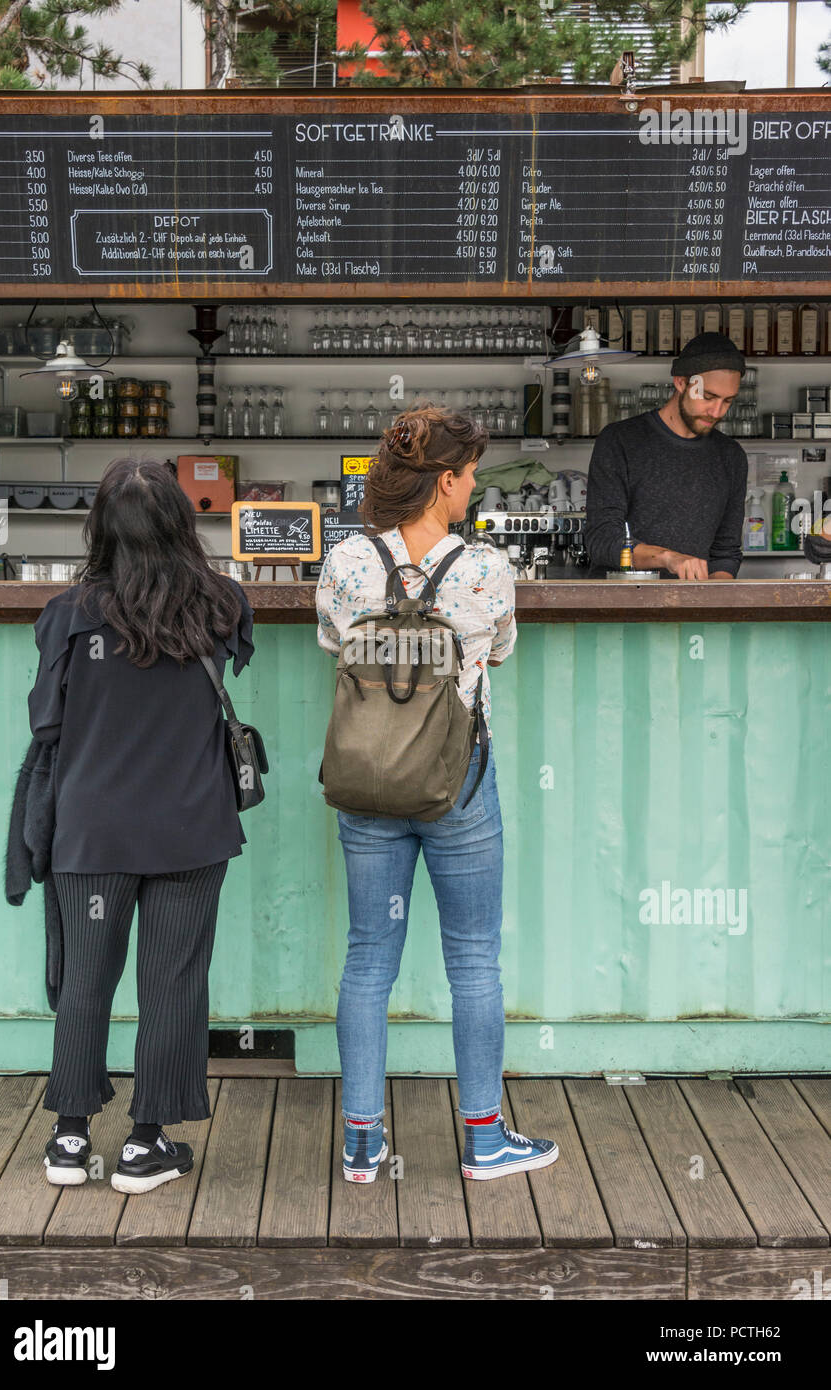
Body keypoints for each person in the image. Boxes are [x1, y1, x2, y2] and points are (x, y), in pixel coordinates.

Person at [315, 402, 559, 1183]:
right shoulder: (485, 568)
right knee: (473, 962)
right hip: (458, 786)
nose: (474, 489)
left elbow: (332, 641)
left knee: (366, 960)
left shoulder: (347, 562)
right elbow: (501, 651)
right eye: (471, 477)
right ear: (445, 482)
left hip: (366, 786)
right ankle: (484, 1140)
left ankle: (361, 1143)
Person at [28, 458, 254, 1194]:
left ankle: (68, 1140)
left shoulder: (68, 614)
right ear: (182, 524)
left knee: (85, 983)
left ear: (97, 526)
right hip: (190, 829)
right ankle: (144, 1144)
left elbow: (47, 720)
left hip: (91, 831)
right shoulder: (221, 604)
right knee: (173, 984)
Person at [585, 332, 749, 580]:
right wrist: (667, 558)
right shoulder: (621, 441)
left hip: (693, 611)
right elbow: (602, 539)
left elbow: (725, 552)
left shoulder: (731, 456)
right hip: (621, 607)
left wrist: (714, 605)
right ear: (681, 382)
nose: (717, 412)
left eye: (728, 401)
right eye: (708, 396)